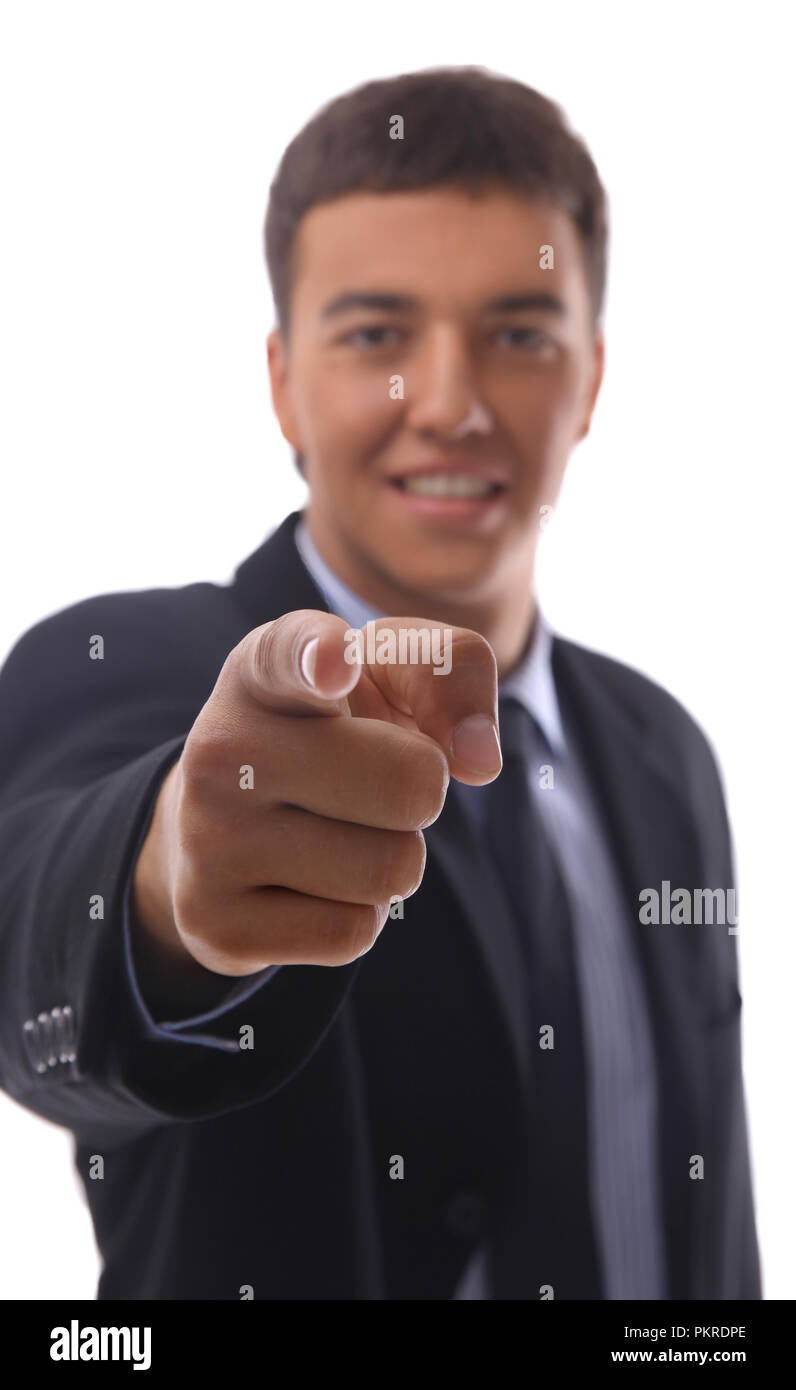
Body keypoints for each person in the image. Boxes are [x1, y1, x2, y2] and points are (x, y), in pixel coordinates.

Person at [0, 66, 761, 1300]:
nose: (451, 404)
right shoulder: (136, 677)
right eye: (375, 335)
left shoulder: (664, 749)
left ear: (593, 379)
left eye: (519, 333)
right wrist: (166, 892)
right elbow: (37, 940)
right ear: (283, 381)